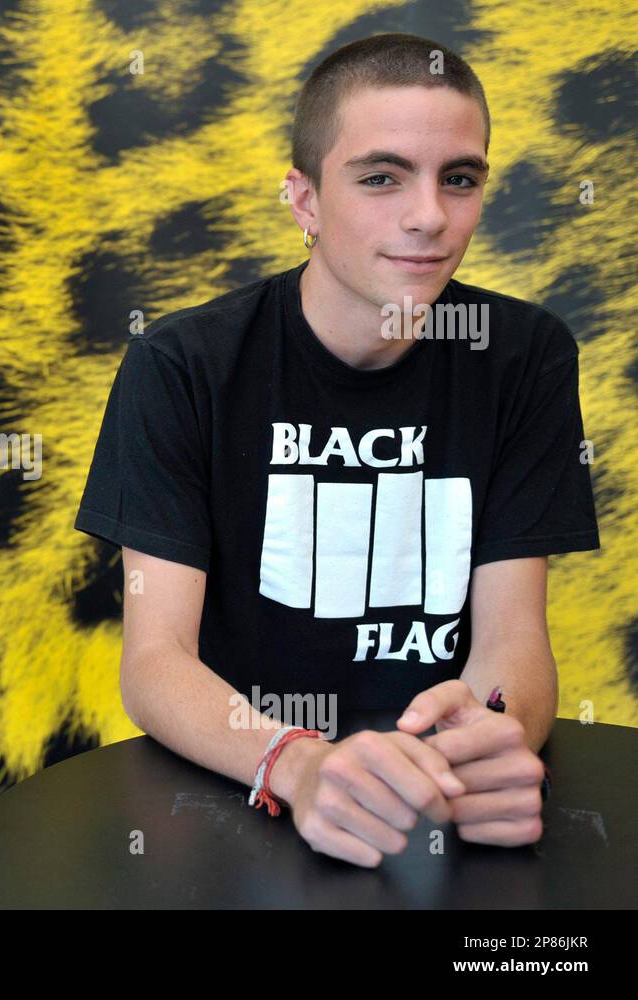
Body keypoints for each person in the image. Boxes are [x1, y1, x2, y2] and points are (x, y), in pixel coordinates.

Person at [72, 32, 601, 868]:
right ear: (304, 200)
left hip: (438, 801)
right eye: (381, 177)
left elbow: (513, 642)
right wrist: (297, 763)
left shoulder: (522, 354)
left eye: (458, 178)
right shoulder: (183, 365)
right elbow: (155, 661)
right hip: (238, 795)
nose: (429, 215)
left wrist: (500, 733)